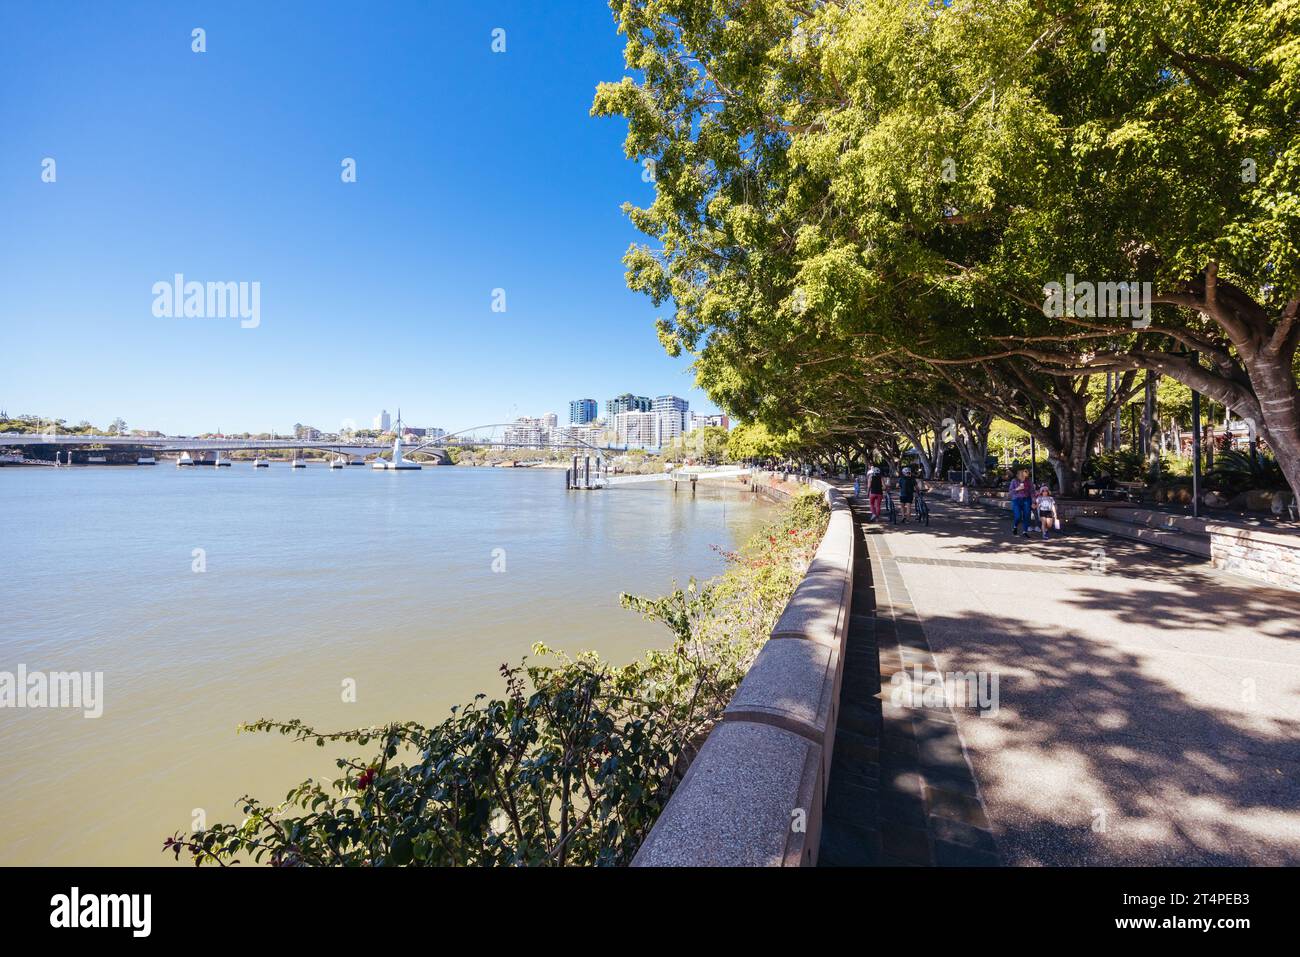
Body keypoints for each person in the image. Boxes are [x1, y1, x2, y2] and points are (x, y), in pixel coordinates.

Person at [1009, 467, 1033, 537]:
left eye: (1024, 472)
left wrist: (1034, 501)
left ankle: (1025, 532)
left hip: (1026, 499)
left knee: (1027, 516)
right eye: (1021, 472)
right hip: (1016, 500)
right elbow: (1010, 492)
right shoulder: (1014, 481)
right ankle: (1015, 527)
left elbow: (1032, 491)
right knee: (1018, 516)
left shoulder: (1028, 481)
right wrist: (1017, 489)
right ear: (1018, 474)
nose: (1023, 474)